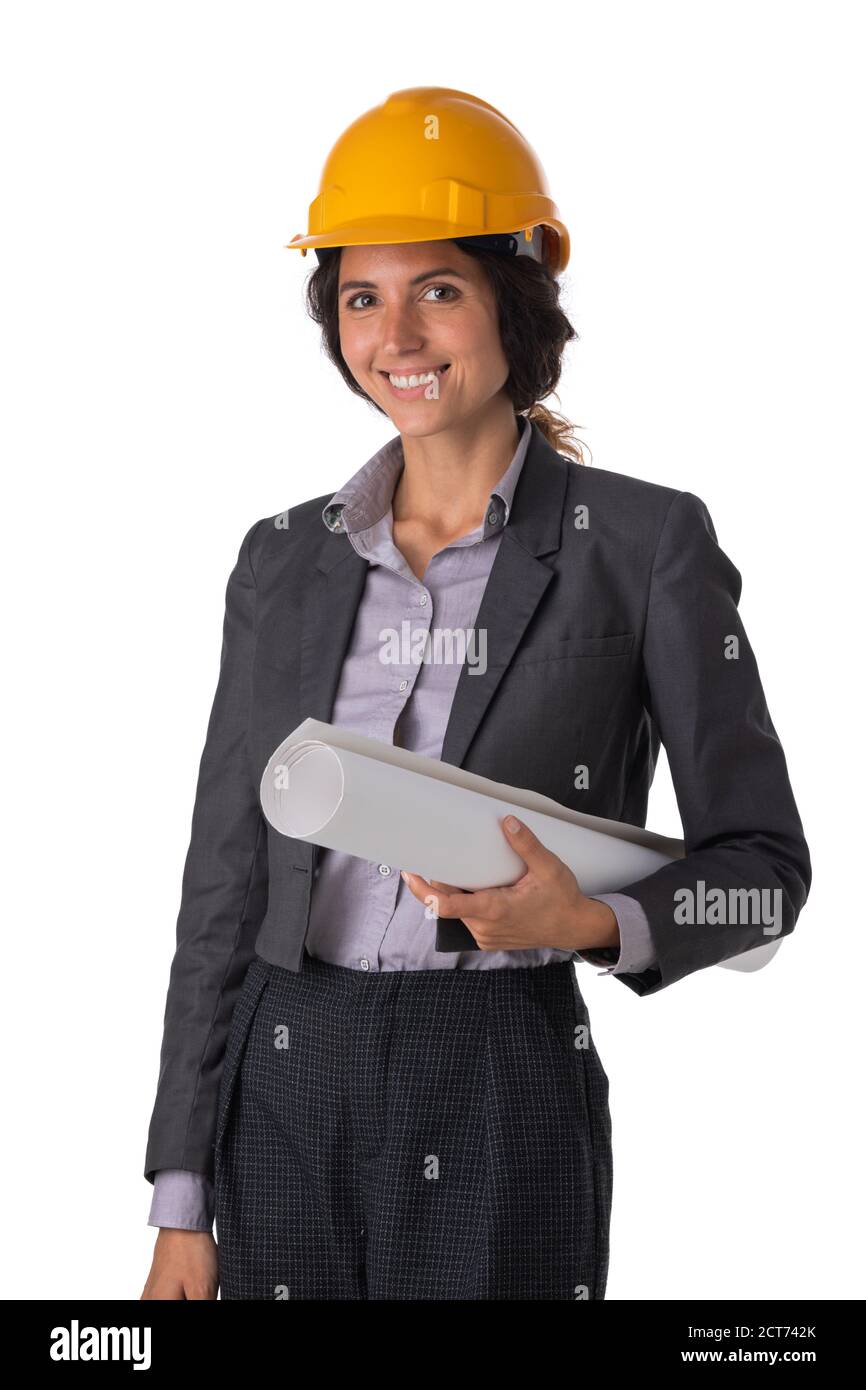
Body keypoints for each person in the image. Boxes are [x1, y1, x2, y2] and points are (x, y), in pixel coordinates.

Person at [140, 87, 811, 1301]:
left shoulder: (641, 545)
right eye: (360, 296)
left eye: (435, 288)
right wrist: (179, 1199)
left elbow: (762, 874)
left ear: (513, 300)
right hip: (282, 1081)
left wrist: (586, 923)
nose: (395, 333)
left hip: (499, 1081)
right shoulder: (281, 559)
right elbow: (223, 886)